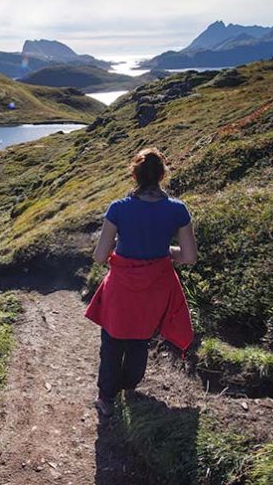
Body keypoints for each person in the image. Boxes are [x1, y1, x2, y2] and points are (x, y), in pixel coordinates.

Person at [85, 147, 197, 417]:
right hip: (156, 286)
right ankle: (130, 386)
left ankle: (106, 399)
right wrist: (163, 250)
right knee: (140, 339)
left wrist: (120, 244)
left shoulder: (119, 208)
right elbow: (189, 256)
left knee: (112, 343)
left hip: (121, 286)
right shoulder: (178, 209)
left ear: (134, 175)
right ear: (161, 175)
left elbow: (101, 256)